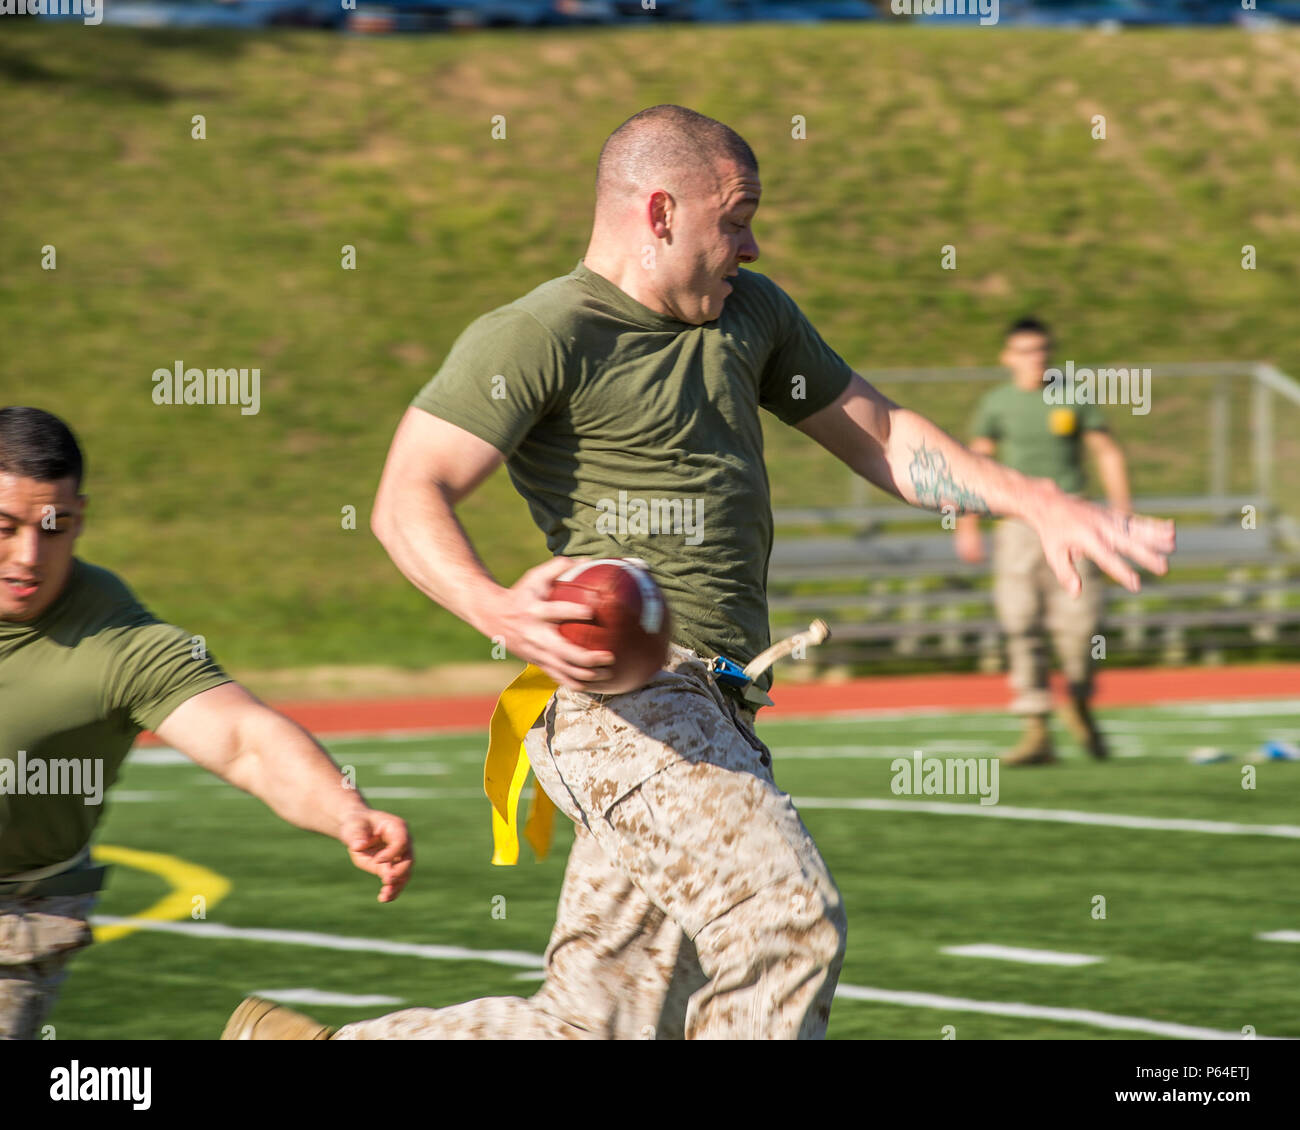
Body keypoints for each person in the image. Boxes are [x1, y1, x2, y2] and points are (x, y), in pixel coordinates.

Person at [225, 105, 1173, 1041]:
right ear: (661, 211)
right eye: (738, 216)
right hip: (631, 702)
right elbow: (407, 496)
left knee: (598, 1024)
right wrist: (498, 610)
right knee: (788, 928)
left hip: (717, 703)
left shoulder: (753, 315)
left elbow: (881, 434)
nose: (753, 245)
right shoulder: (541, 332)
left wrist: (1037, 500)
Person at [0, 406, 413, 1041]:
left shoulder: (116, 639)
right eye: (4, 528)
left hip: (15, 912)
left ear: (79, 518)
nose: (29, 556)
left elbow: (245, 740)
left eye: (53, 529)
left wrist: (341, 809)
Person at [954, 318, 1133, 765]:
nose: (1036, 359)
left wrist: (1122, 514)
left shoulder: (1072, 394)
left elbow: (1106, 451)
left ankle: (1076, 696)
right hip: (1017, 523)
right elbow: (977, 463)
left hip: (1073, 517)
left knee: (1082, 623)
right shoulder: (997, 403)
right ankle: (1036, 728)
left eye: (1042, 350)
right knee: (1020, 621)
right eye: (1025, 351)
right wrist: (967, 524)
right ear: (1007, 357)